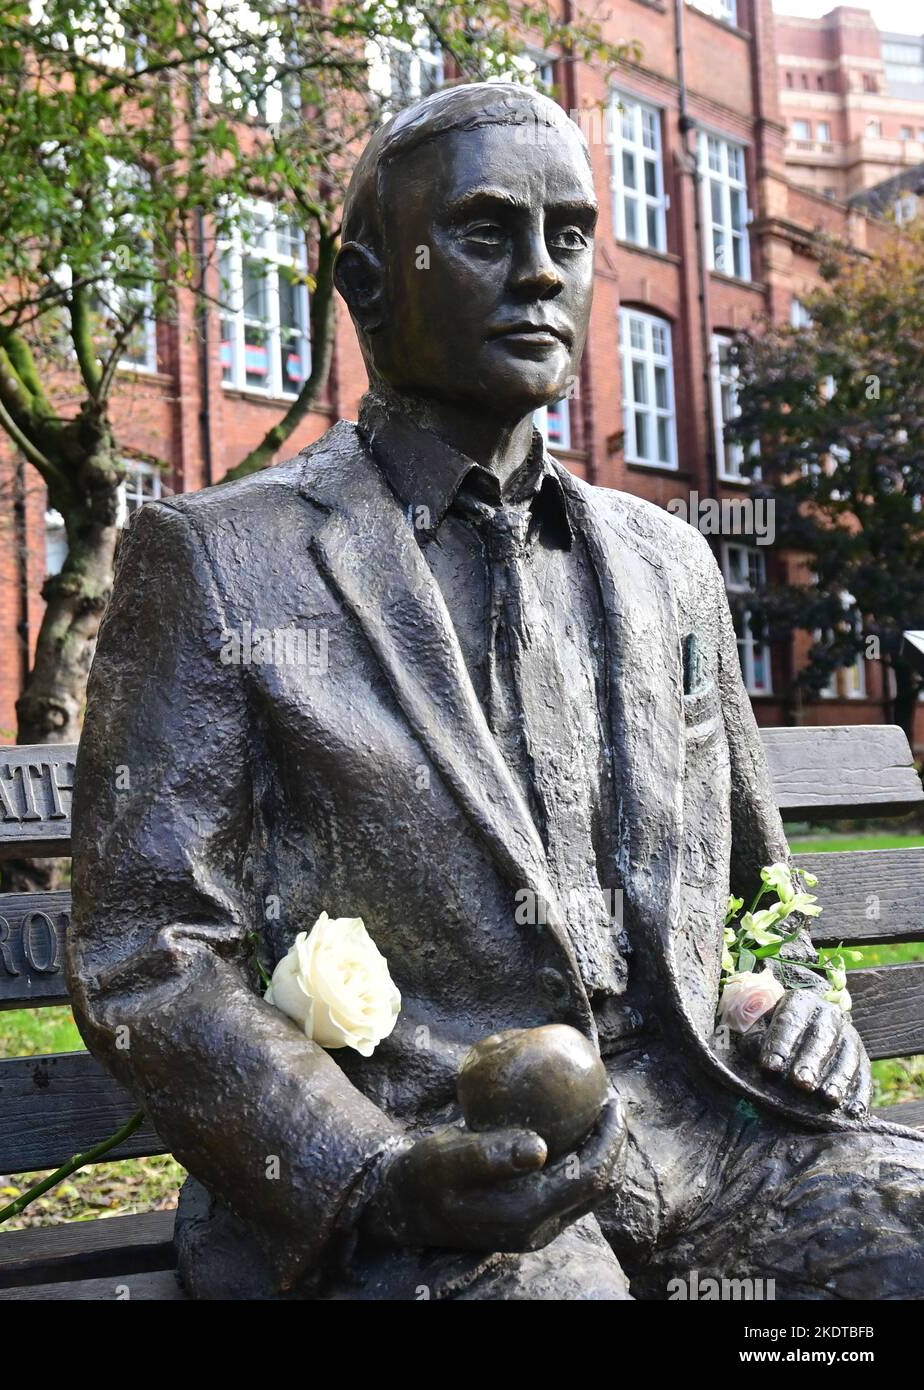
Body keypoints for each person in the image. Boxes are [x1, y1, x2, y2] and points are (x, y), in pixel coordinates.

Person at [68, 82, 924, 1299]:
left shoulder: (670, 563)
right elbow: (147, 951)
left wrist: (801, 1002)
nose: (540, 273)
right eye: (485, 233)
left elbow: (759, 890)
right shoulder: (219, 560)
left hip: (704, 1136)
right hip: (429, 1179)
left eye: (569, 236)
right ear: (366, 281)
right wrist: (368, 1173)